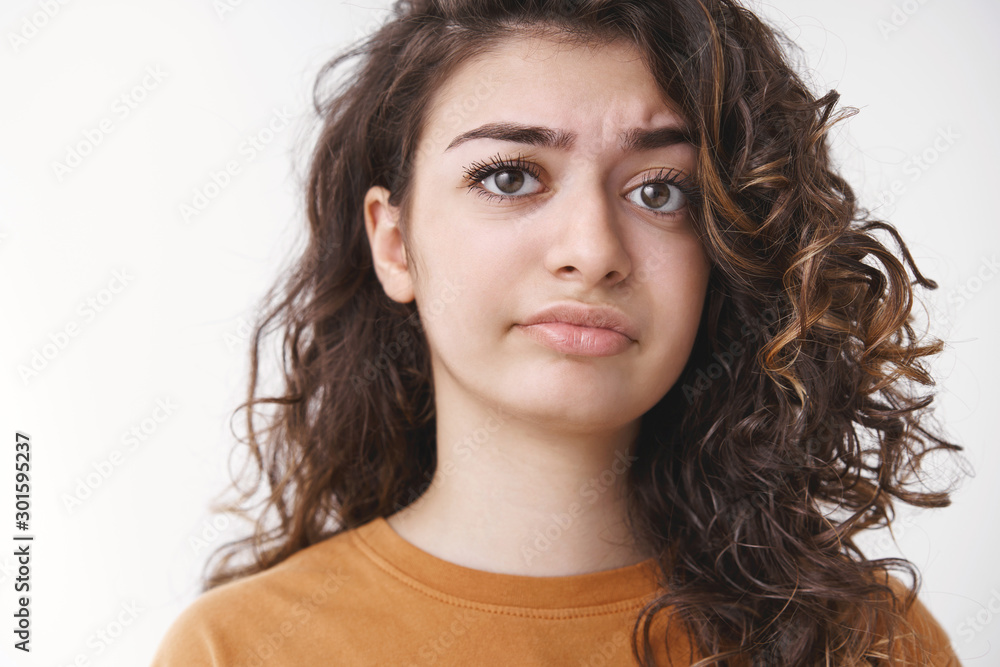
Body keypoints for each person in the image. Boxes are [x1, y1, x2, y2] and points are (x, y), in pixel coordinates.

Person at [151, 0, 966, 664]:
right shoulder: (238, 649)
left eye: (661, 192)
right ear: (394, 243)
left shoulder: (866, 642)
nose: (592, 251)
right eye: (509, 176)